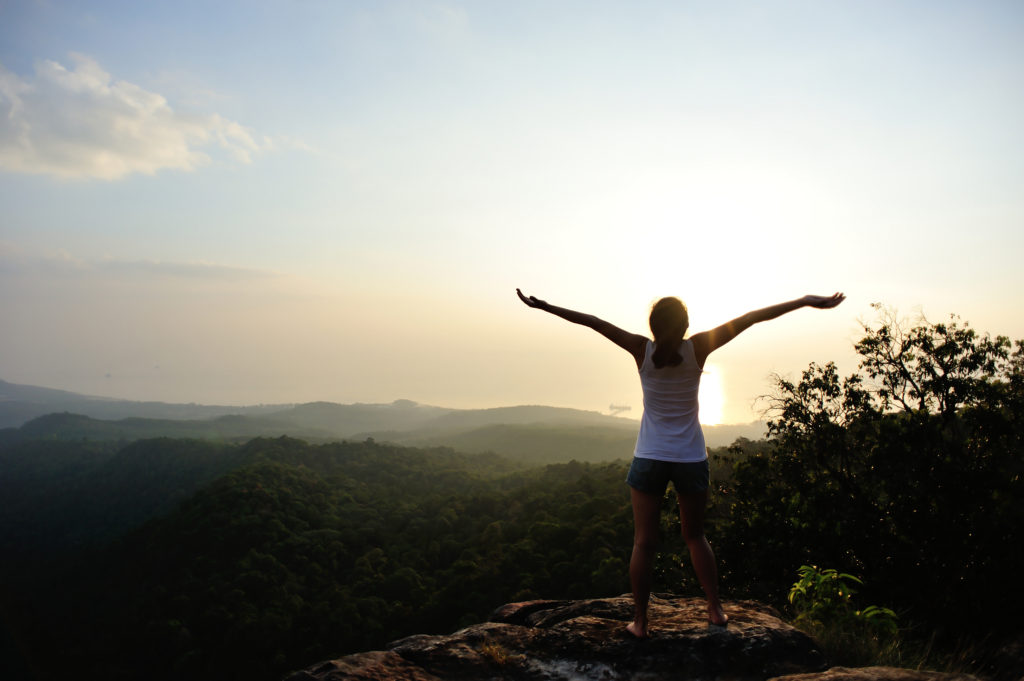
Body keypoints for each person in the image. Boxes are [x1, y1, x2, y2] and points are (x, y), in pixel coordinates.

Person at [516, 288, 845, 636]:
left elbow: (593, 323)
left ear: (653, 326)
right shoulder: (698, 348)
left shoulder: (642, 349)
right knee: (696, 536)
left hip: (649, 458)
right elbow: (751, 319)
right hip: (690, 457)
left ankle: (640, 622)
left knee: (644, 542)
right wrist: (804, 301)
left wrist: (546, 306)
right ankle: (715, 610)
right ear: (686, 326)